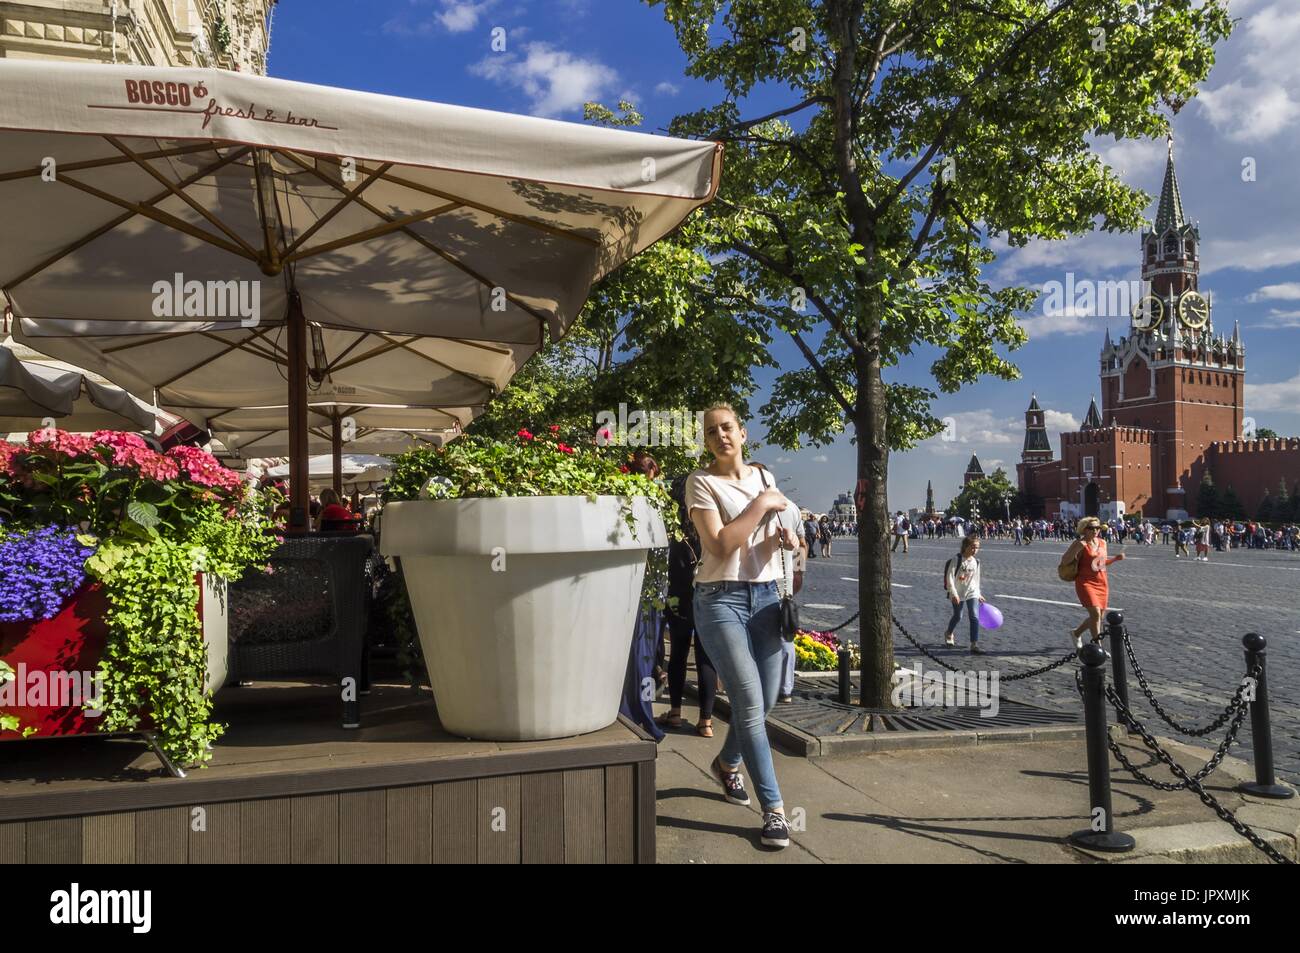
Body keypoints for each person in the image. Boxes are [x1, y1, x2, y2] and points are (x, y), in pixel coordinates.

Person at [686, 402, 799, 849]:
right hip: (720, 600)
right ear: (707, 441)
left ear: (743, 432)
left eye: (726, 427)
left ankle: (728, 763)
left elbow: (755, 541)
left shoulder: (764, 478)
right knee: (749, 701)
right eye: (711, 432)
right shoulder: (701, 483)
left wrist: (781, 538)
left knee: (767, 698)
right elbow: (719, 546)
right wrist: (762, 504)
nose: (720, 436)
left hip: (767, 596)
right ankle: (774, 811)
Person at [655, 473, 719, 738]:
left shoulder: (672, 527)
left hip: (678, 596)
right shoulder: (706, 520)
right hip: (706, 593)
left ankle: (676, 712)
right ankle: (706, 722)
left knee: (679, 654)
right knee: (706, 657)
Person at [1060, 516, 1124, 650]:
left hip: (1101, 582)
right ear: (1084, 529)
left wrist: (1115, 559)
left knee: (1099, 617)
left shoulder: (1102, 542)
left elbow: (1101, 563)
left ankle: (1076, 633)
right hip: (1085, 582)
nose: (1095, 531)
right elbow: (1065, 561)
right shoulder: (1080, 543)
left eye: (1098, 528)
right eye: (1091, 528)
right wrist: (1077, 548)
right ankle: (1097, 646)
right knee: (1095, 614)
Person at [943, 534, 985, 654]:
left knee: (974, 617)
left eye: (977, 547)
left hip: (971, 592)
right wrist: (954, 593)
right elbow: (949, 577)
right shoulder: (957, 559)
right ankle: (949, 633)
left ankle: (974, 644)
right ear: (965, 546)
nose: (975, 550)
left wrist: (979, 593)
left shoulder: (976, 561)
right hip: (957, 591)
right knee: (958, 616)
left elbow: (976, 579)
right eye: (972, 547)